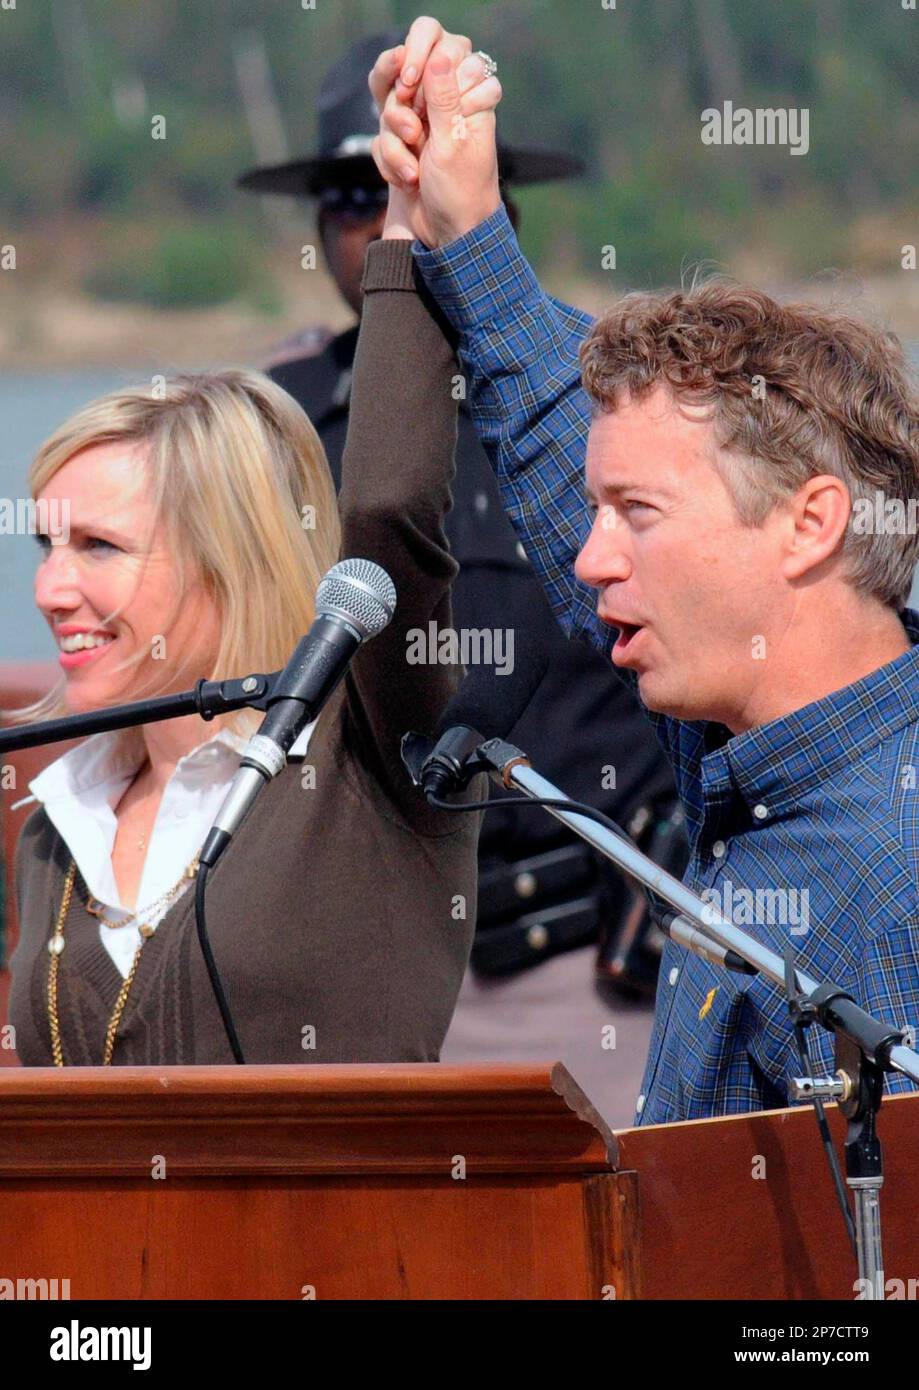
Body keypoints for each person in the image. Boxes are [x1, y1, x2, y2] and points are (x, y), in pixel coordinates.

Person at [368, 19, 919, 1124]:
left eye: (638, 514)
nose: (587, 554)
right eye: (597, 505)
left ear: (809, 525)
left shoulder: (886, 877)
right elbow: (545, 416)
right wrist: (461, 215)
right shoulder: (746, 732)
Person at [238, 33, 684, 1123]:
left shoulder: (610, 406)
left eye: (387, 186)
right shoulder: (264, 424)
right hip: (361, 943)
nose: (373, 214)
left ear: (505, 210)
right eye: (350, 194)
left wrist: (688, 832)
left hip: (594, 951)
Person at [6, 183, 486, 1066]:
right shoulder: (59, 822)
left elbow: (388, 509)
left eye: (100, 546)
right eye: (47, 546)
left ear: (230, 556)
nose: (50, 588)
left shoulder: (368, 767)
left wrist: (408, 224)